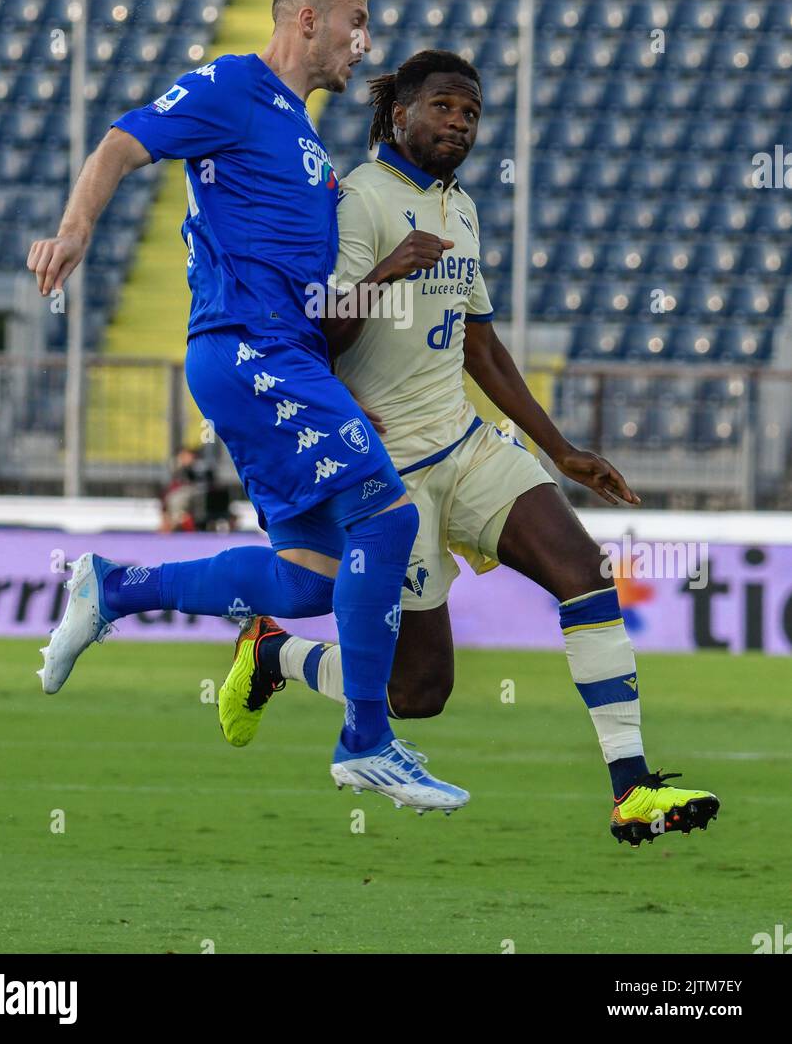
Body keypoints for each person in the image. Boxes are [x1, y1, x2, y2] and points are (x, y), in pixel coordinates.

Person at [216, 48, 720, 846]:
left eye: (472, 113)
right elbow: (316, 327)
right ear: (399, 113)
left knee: (586, 578)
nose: (460, 124)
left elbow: (479, 346)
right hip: (389, 477)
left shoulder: (462, 207)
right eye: (446, 107)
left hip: (467, 445)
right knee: (419, 694)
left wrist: (559, 449)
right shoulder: (357, 200)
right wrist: (389, 269)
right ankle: (276, 657)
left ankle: (632, 789)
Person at [27, 0, 466, 814]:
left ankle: (112, 586)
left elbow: (310, 294)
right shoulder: (235, 85)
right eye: (355, 20)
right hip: (248, 350)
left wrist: (341, 383)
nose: (363, 41)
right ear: (306, 19)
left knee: (307, 578)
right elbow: (123, 141)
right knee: (389, 515)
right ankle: (366, 741)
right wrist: (73, 230)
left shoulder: (309, 150)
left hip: (286, 361)